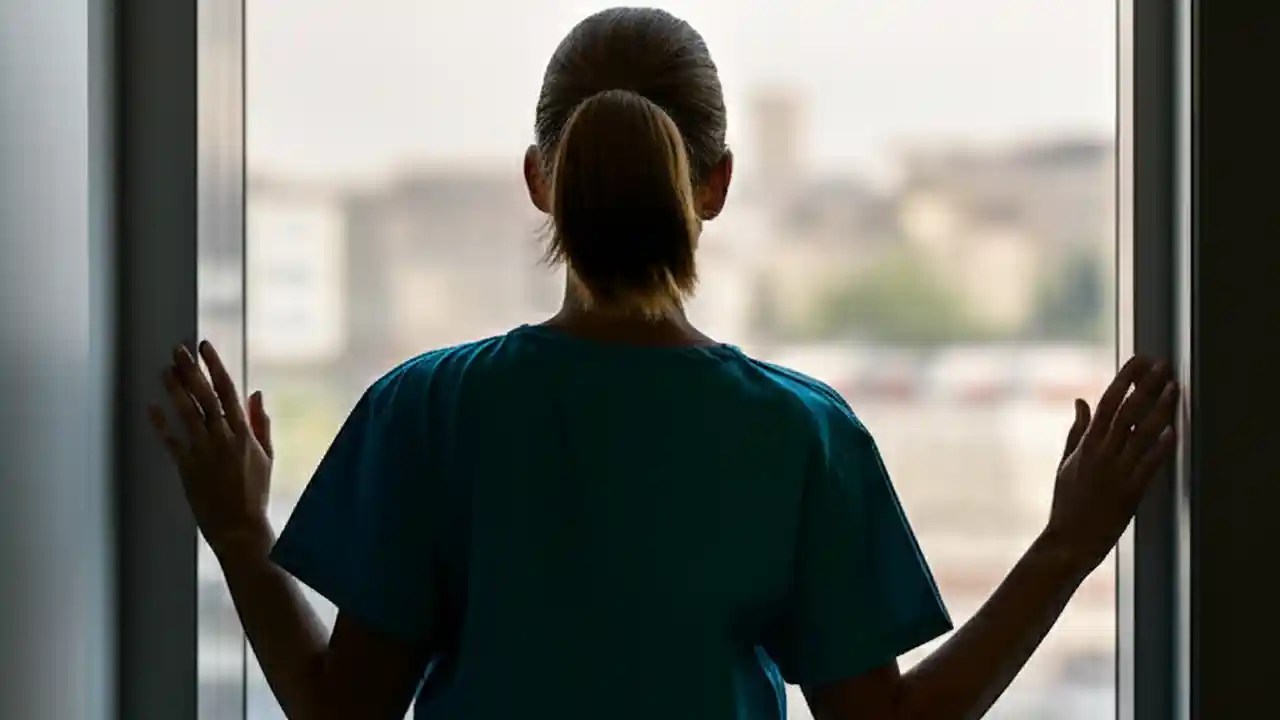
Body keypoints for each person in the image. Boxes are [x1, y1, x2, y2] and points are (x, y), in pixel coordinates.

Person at [149, 7, 1180, 720]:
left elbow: (344, 711)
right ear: (716, 184)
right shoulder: (798, 435)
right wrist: (1067, 546)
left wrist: (239, 530)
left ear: (538, 180)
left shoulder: (426, 412)